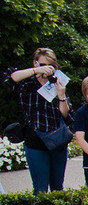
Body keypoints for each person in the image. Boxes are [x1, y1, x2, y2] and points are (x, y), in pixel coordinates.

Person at [4, 48, 74, 194]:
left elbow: (66, 116)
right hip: (35, 140)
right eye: (42, 64)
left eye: (50, 66)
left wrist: (61, 96)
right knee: (40, 188)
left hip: (57, 140)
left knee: (57, 188)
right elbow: (10, 78)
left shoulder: (57, 82)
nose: (46, 69)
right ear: (35, 64)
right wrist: (35, 71)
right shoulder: (27, 83)